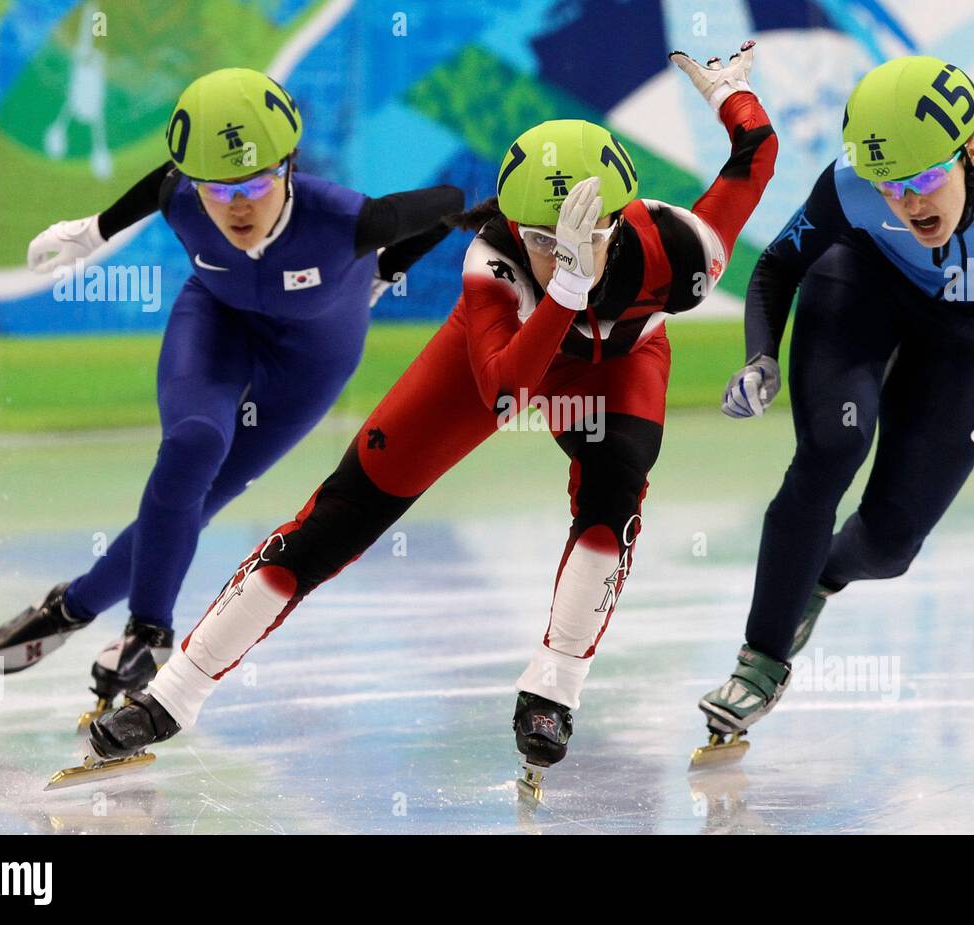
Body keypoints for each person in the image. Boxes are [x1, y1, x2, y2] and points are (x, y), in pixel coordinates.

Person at [78, 42, 779, 790]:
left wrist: (730, 94)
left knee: (614, 502)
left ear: (625, 217)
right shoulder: (494, 265)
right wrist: (566, 291)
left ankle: (553, 687)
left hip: (617, 366)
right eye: (541, 239)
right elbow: (505, 393)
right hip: (504, 358)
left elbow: (754, 158)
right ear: (516, 231)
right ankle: (173, 695)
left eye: (586, 234)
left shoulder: (686, 253)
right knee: (336, 519)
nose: (561, 253)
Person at [0, 68, 463, 722]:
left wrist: (385, 271)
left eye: (256, 183)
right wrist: (92, 230)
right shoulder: (182, 196)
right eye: (217, 188)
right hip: (219, 320)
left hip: (312, 360)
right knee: (194, 443)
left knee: (207, 496)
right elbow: (163, 184)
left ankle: (72, 606)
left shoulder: (346, 219)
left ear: (288, 163)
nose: (237, 206)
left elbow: (449, 200)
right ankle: (148, 631)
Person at [694, 55, 974, 760]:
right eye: (891, 187)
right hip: (863, 287)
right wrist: (760, 356)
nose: (911, 203)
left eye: (926, 178)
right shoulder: (850, 189)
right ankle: (762, 658)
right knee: (834, 449)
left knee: (891, 543)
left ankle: (820, 577)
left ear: (970, 147)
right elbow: (778, 265)